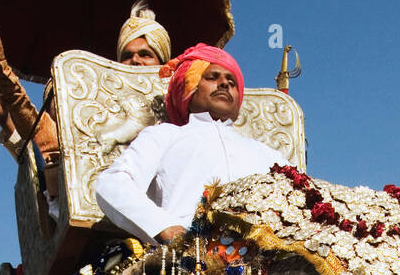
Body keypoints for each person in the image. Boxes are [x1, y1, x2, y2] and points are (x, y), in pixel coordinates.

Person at [0, 0, 172, 206]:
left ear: (163, 62)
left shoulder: (179, 114)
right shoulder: (97, 112)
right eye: (128, 56)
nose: (136, 61)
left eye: (146, 55)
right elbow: (42, 137)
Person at [96, 43, 284, 244]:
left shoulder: (268, 154)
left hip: (262, 256)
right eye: (212, 77)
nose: (224, 84)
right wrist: (163, 226)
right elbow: (114, 182)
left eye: (232, 82)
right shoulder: (165, 135)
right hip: (191, 254)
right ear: (189, 87)